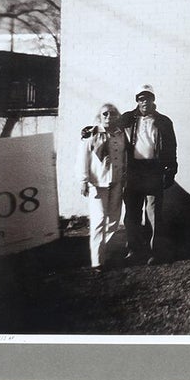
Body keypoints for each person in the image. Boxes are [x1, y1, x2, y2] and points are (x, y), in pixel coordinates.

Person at [118, 85, 178, 265]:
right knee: (132, 213)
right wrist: (89, 130)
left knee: (153, 212)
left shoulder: (164, 121)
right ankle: (134, 250)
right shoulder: (127, 118)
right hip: (133, 171)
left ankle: (155, 251)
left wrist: (171, 169)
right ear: (137, 100)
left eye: (148, 98)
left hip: (154, 169)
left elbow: (171, 147)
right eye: (141, 98)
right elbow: (109, 128)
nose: (144, 102)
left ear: (153, 100)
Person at [77, 103, 127, 271]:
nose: (108, 117)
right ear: (99, 116)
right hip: (98, 183)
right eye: (105, 114)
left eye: (112, 114)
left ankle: (107, 253)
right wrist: (83, 180)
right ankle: (97, 261)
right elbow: (82, 158)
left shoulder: (120, 134)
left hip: (117, 182)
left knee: (113, 220)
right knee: (99, 220)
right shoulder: (91, 134)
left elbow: (124, 156)